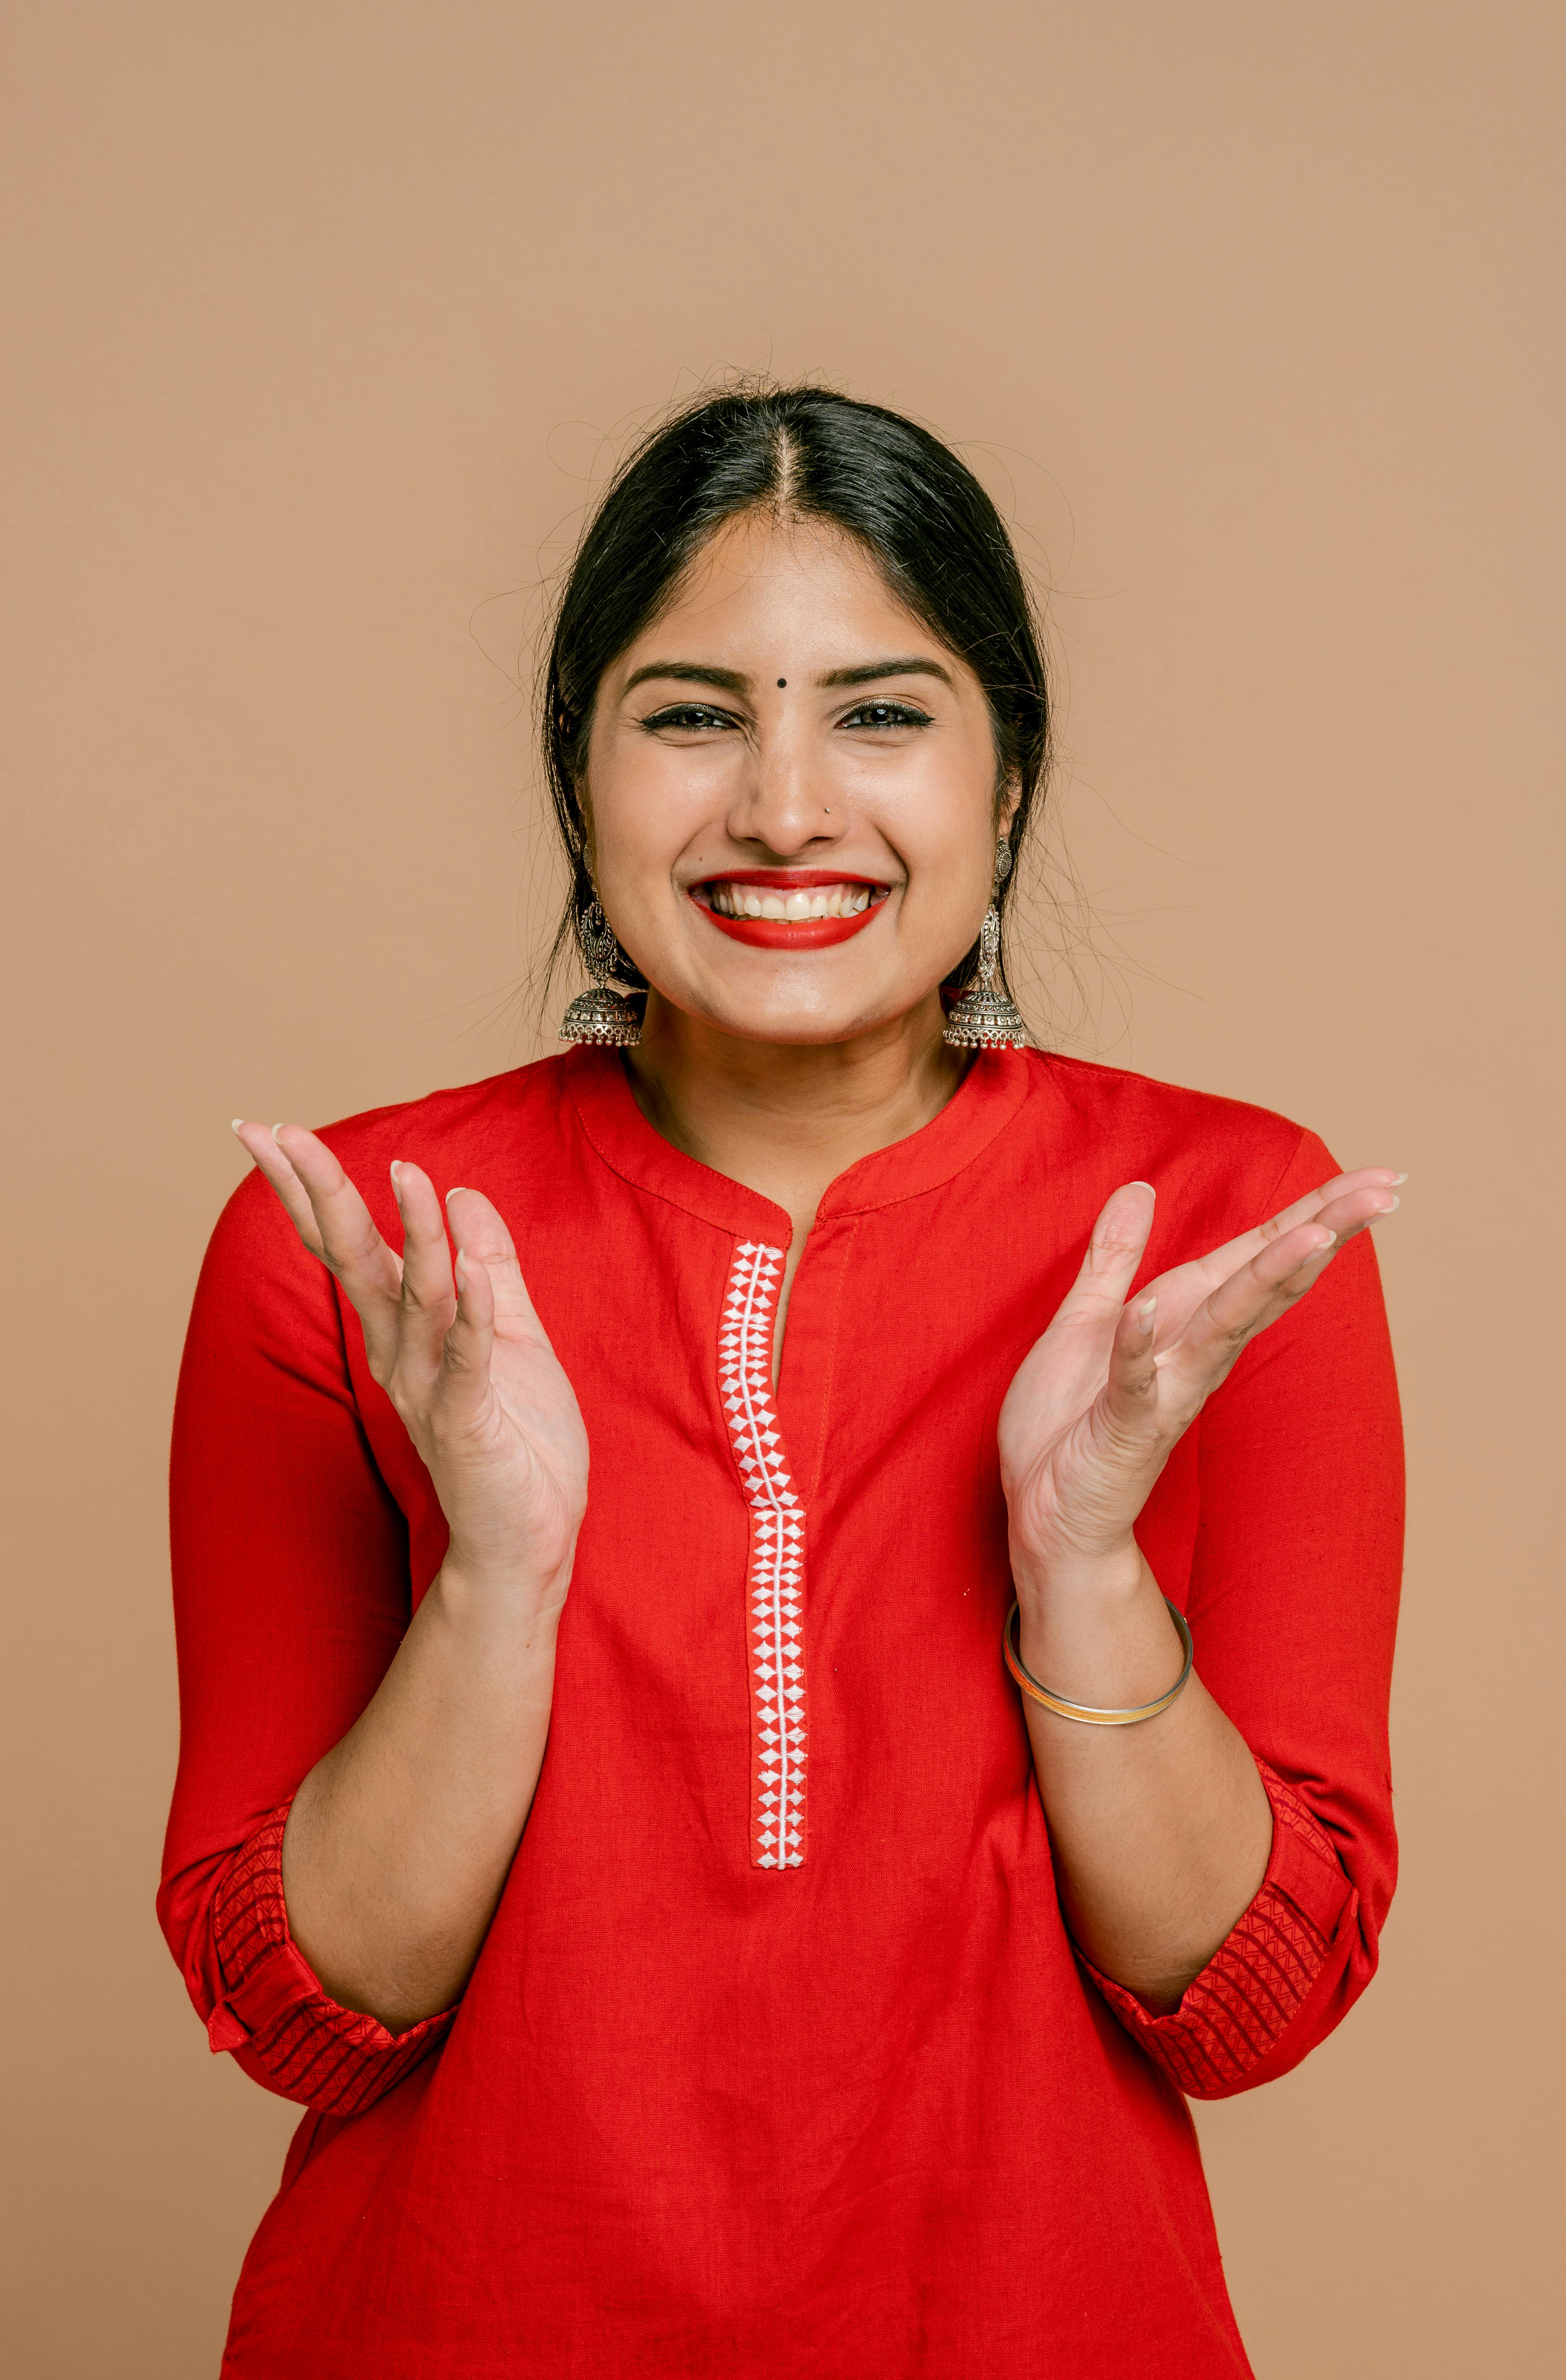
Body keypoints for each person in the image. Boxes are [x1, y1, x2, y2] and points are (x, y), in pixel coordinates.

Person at [159, 385, 1404, 2379]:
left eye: (882, 713)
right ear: (578, 780)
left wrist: (1079, 1557)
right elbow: (301, 2005)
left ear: (1007, 783)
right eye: (691, 714)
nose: (787, 807)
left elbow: (1241, 2008)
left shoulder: (1223, 1243)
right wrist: (498, 1573)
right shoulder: (366, 1249)